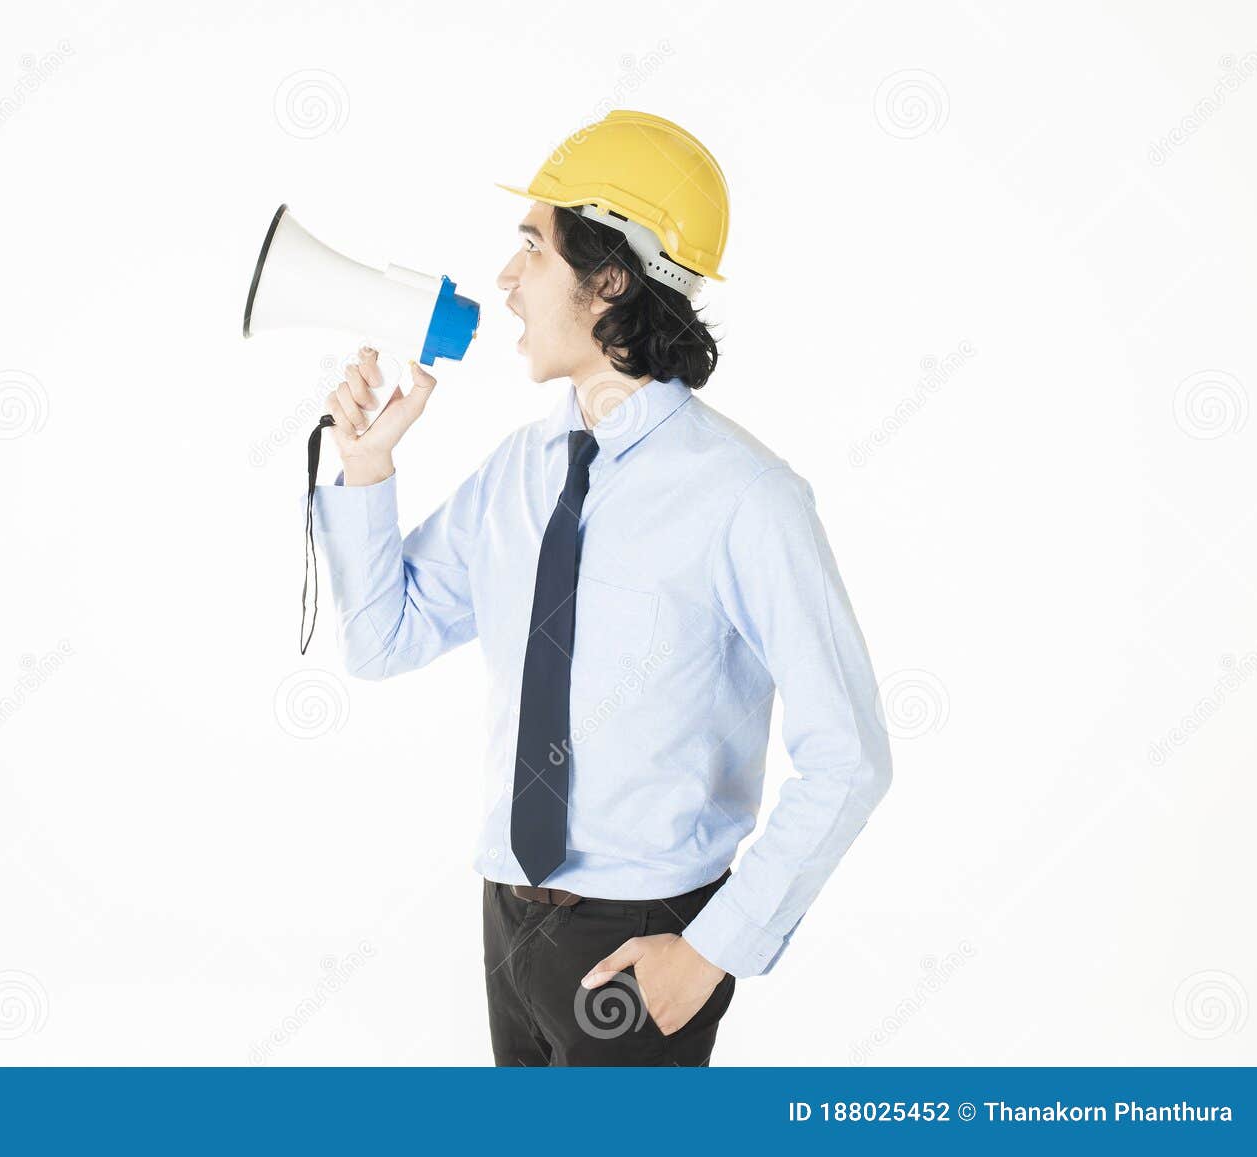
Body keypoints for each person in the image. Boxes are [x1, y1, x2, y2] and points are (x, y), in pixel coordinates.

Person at [305, 111, 892, 1065]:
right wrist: (367, 469)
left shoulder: (746, 498)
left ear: (610, 277)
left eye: (531, 247)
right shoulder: (522, 470)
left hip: (643, 936)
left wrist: (709, 951)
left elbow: (851, 755)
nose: (503, 279)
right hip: (506, 920)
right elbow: (383, 641)